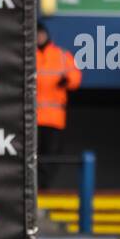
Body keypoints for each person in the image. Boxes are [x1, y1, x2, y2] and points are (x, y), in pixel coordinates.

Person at [35, 22, 82, 191]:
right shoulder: (27, 55)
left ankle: (43, 186)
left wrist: (67, 80)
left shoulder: (62, 55)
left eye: (41, 33)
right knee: (34, 155)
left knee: (51, 154)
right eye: (36, 34)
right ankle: (35, 186)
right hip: (32, 118)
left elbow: (76, 78)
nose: (39, 37)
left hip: (54, 118)